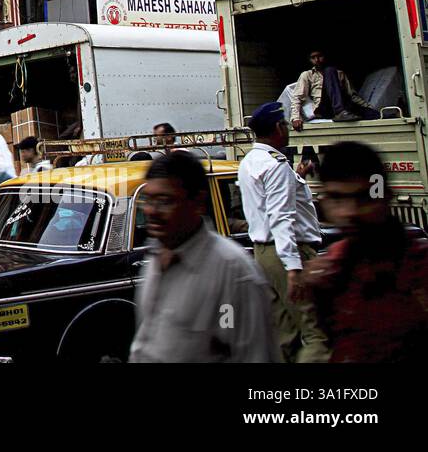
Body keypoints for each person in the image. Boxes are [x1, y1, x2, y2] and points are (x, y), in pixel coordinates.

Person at [129, 151, 275, 362]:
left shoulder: (231, 273)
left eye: (164, 201)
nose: (151, 211)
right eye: (147, 200)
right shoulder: (155, 257)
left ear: (197, 202)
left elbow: (249, 352)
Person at [304, 141, 428, 362]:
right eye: (337, 198)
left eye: (363, 198)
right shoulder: (329, 273)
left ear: (385, 197)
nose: (349, 212)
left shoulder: (419, 268)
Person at [238, 101, 331, 362]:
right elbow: (281, 218)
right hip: (287, 254)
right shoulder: (275, 164)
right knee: (315, 332)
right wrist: (294, 269)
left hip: (263, 254)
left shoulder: (251, 161)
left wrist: (297, 174)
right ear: (279, 127)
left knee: (284, 334)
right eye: (286, 125)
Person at [289, 49, 376, 129]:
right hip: (325, 109)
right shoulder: (307, 75)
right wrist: (295, 118)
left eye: (319, 56)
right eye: (313, 57)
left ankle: (342, 112)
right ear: (310, 60)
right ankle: (340, 111)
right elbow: (297, 97)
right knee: (329, 70)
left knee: (373, 114)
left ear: (325, 56)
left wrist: (368, 107)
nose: (317, 60)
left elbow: (352, 95)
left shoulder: (340, 73)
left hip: (345, 107)